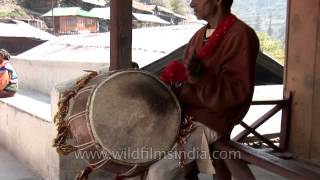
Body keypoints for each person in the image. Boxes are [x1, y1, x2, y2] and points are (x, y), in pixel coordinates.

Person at [146, 0, 260, 179]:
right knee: (139, 160)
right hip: (185, 116)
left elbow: (238, 92)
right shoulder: (199, 35)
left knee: (158, 172)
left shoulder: (241, 35)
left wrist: (202, 79)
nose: (191, 4)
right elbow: (185, 75)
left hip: (213, 120)